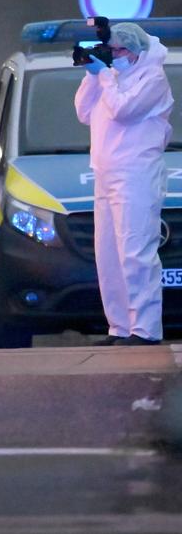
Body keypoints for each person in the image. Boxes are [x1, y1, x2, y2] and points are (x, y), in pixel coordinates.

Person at [75, 22, 173, 346]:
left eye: (118, 50)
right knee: (109, 255)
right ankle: (119, 326)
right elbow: (83, 112)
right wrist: (92, 73)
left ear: (135, 51)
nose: (112, 56)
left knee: (135, 250)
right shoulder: (111, 78)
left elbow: (123, 111)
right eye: (110, 50)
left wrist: (104, 75)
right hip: (105, 173)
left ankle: (145, 329)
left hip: (136, 174)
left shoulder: (153, 79)